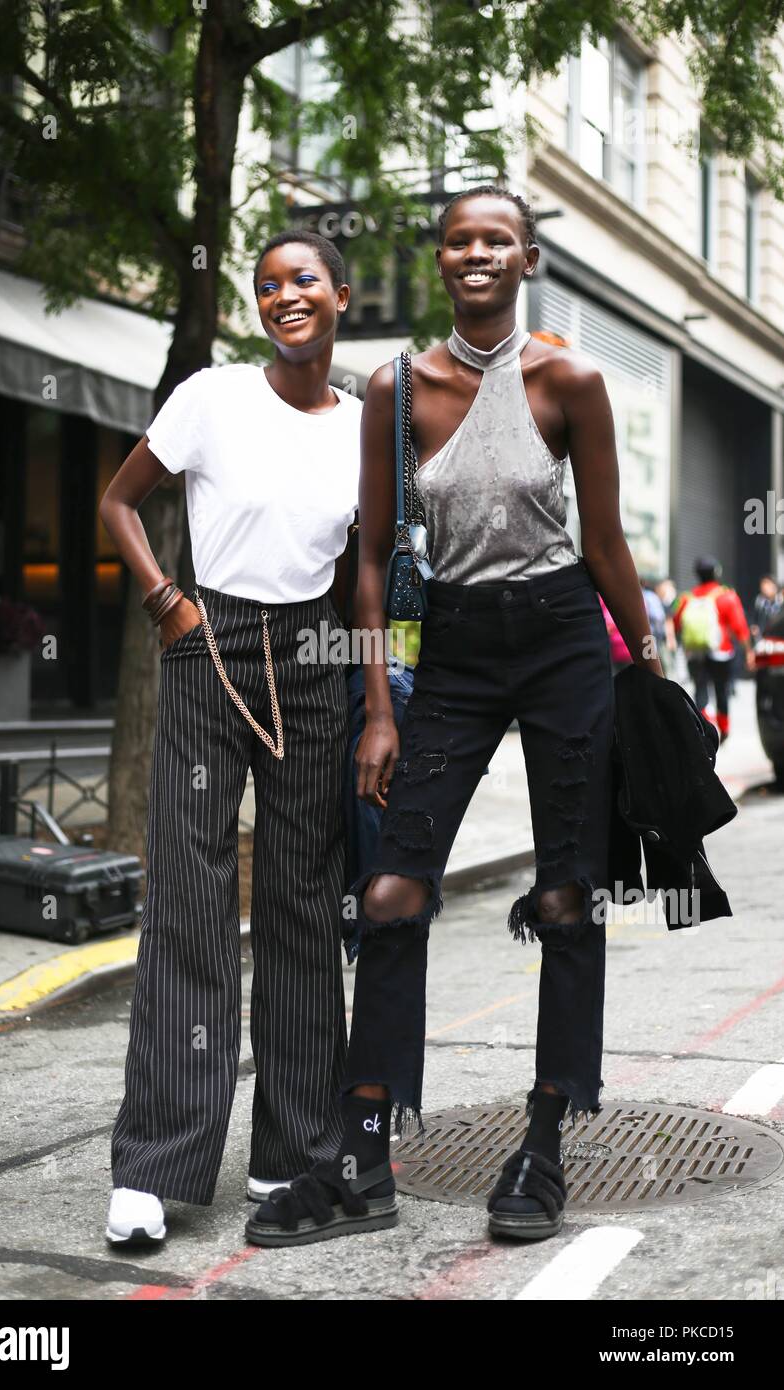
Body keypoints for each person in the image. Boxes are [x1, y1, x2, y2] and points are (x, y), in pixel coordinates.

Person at [245, 184, 664, 1249]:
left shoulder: (568, 378)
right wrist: (378, 706)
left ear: (525, 257)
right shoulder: (395, 388)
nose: (474, 253)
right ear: (439, 261)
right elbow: (373, 559)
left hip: (565, 636)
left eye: (495, 240)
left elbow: (606, 545)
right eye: (456, 241)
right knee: (388, 892)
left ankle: (543, 1138)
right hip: (463, 651)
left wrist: (652, 669)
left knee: (567, 894)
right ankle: (361, 1154)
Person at [100, 230, 362, 1244]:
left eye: (302, 279)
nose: (282, 295)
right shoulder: (212, 395)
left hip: (313, 657)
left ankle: (291, 1153)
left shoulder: (363, 427)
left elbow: (365, 570)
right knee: (191, 896)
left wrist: (373, 693)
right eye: (265, 285)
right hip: (208, 643)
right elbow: (119, 501)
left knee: (302, 900)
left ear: (339, 293)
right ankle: (156, 1166)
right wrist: (168, 603)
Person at [674, 555, 755, 745]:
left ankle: (703, 730)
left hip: (695, 652)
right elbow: (740, 628)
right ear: (716, 573)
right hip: (721, 652)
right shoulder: (726, 596)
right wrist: (748, 651)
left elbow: (677, 624)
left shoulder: (687, 597)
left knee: (700, 690)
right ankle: (724, 729)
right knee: (721, 691)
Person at [750, 574, 782, 642]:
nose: (765, 588)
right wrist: (754, 627)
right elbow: (752, 619)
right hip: (763, 640)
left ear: (775, 586)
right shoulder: (758, 602)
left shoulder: (781, 602)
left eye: (768, 585)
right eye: (763, 586)